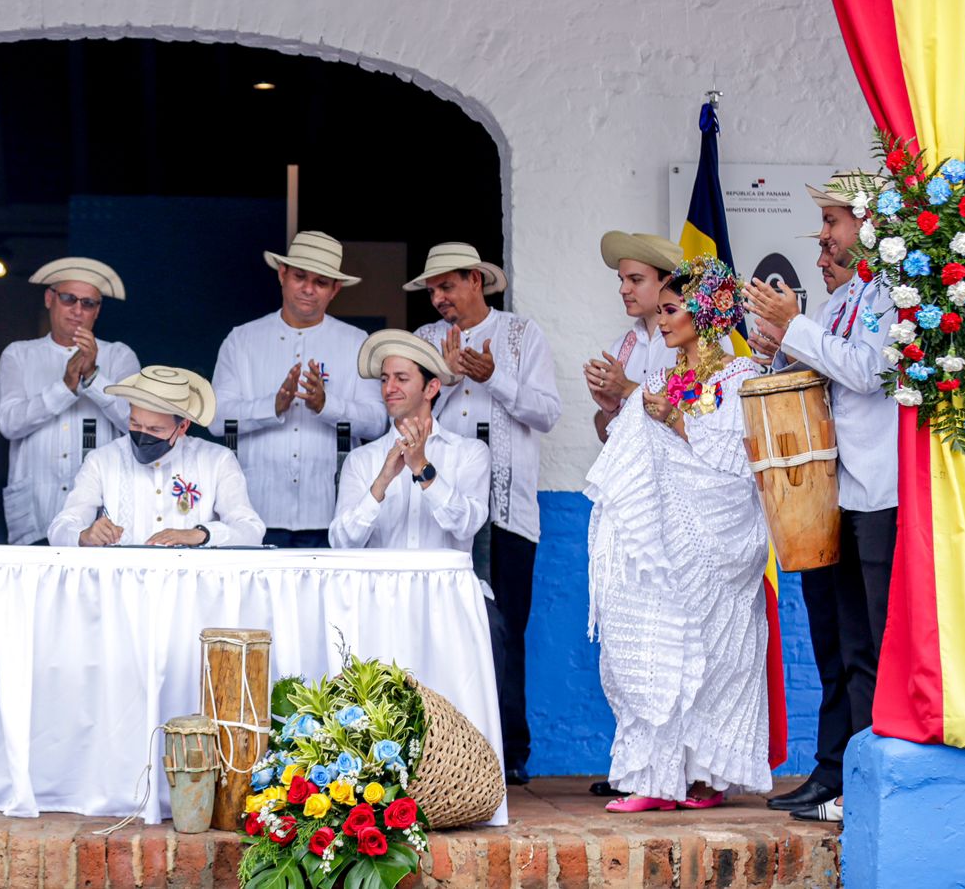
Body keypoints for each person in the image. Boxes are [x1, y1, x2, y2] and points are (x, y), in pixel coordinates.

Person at [586, 256, 772, 811]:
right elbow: (628, 447)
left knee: (720, 655)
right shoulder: (660, 379)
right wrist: (622, 411)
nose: (661, 321)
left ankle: (707, 776)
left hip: (723, 537)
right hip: (670, 539)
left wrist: (671, 418)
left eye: (671, 310)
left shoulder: (742, 376)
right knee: (660, 642)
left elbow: (736, 458)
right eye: (662, 311)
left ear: (706, 313)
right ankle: (657, 777)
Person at [746, 181, 897, 826]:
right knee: (840, 643)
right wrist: (780, 349)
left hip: (878, 491)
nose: (824, 237)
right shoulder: (840, 302)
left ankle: (865, 779)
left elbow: (865, 371)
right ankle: (838, 771)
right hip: (830, 495)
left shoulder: (892, 296)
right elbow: (822, 377)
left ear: (868, 222)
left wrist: (794, 328)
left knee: (871, 644)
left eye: (833, 221)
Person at [410, 242, 561, 785]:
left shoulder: (522, 335)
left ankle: (509, 752)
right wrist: (446, 380)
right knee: (438, 627)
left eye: (447, 285)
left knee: (505, 629)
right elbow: (406, 408)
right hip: (439, 509)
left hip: (506, 513)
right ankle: (437, 750)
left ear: (476, 280)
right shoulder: (425, 340)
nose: (439, 298)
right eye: (432, 290)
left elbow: (547, 413)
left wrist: (494, 376)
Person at [214, 231, 387, 547]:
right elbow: (215, 418)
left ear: (335, 289)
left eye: (321, 282)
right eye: (300, 277)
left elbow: (377, 422)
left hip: (332, 513)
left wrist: (326, 405)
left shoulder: (356, 342)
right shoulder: (242, 340)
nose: (308, 289)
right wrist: (272, 406)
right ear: (282, 274)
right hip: (257, 511)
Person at [0, 257, 140, 545]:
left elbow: (134, 422)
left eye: (88, 303)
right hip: (34, 507)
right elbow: (9, 424)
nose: (77, 310)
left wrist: (93, 376)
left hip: (100, 513)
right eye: (68, 299)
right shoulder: (18, 354)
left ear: (97, 311)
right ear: (50, 299)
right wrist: (65, 387)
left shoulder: (119, 356)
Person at [46, 366, 265, 547]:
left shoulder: (217, 461)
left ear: (183, 426)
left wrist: (201, 534)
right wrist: (84, 535)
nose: (143, 435)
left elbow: (251, 531)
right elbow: (60, 529)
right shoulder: (101, 461)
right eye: (135, 424)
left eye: (155, 429)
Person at [329, 330, 490, 552]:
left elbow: (468, 526)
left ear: (431, 388)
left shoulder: (470, 452)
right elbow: (341, 543)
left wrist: (423, 469)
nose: (389, 389)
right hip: (382, 576)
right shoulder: (360, 459)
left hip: (442, 577)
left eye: (401, 378)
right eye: (384, 379)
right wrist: (381, 483)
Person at [584, 232, 686, 443]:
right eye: (622, 280)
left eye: (635, 280)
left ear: (667, 282)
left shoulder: (697, 343)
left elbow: (709, 431)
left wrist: (626, 388)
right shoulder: (621, 347)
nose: (623, 289)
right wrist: (610, 409)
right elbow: (606, 438)